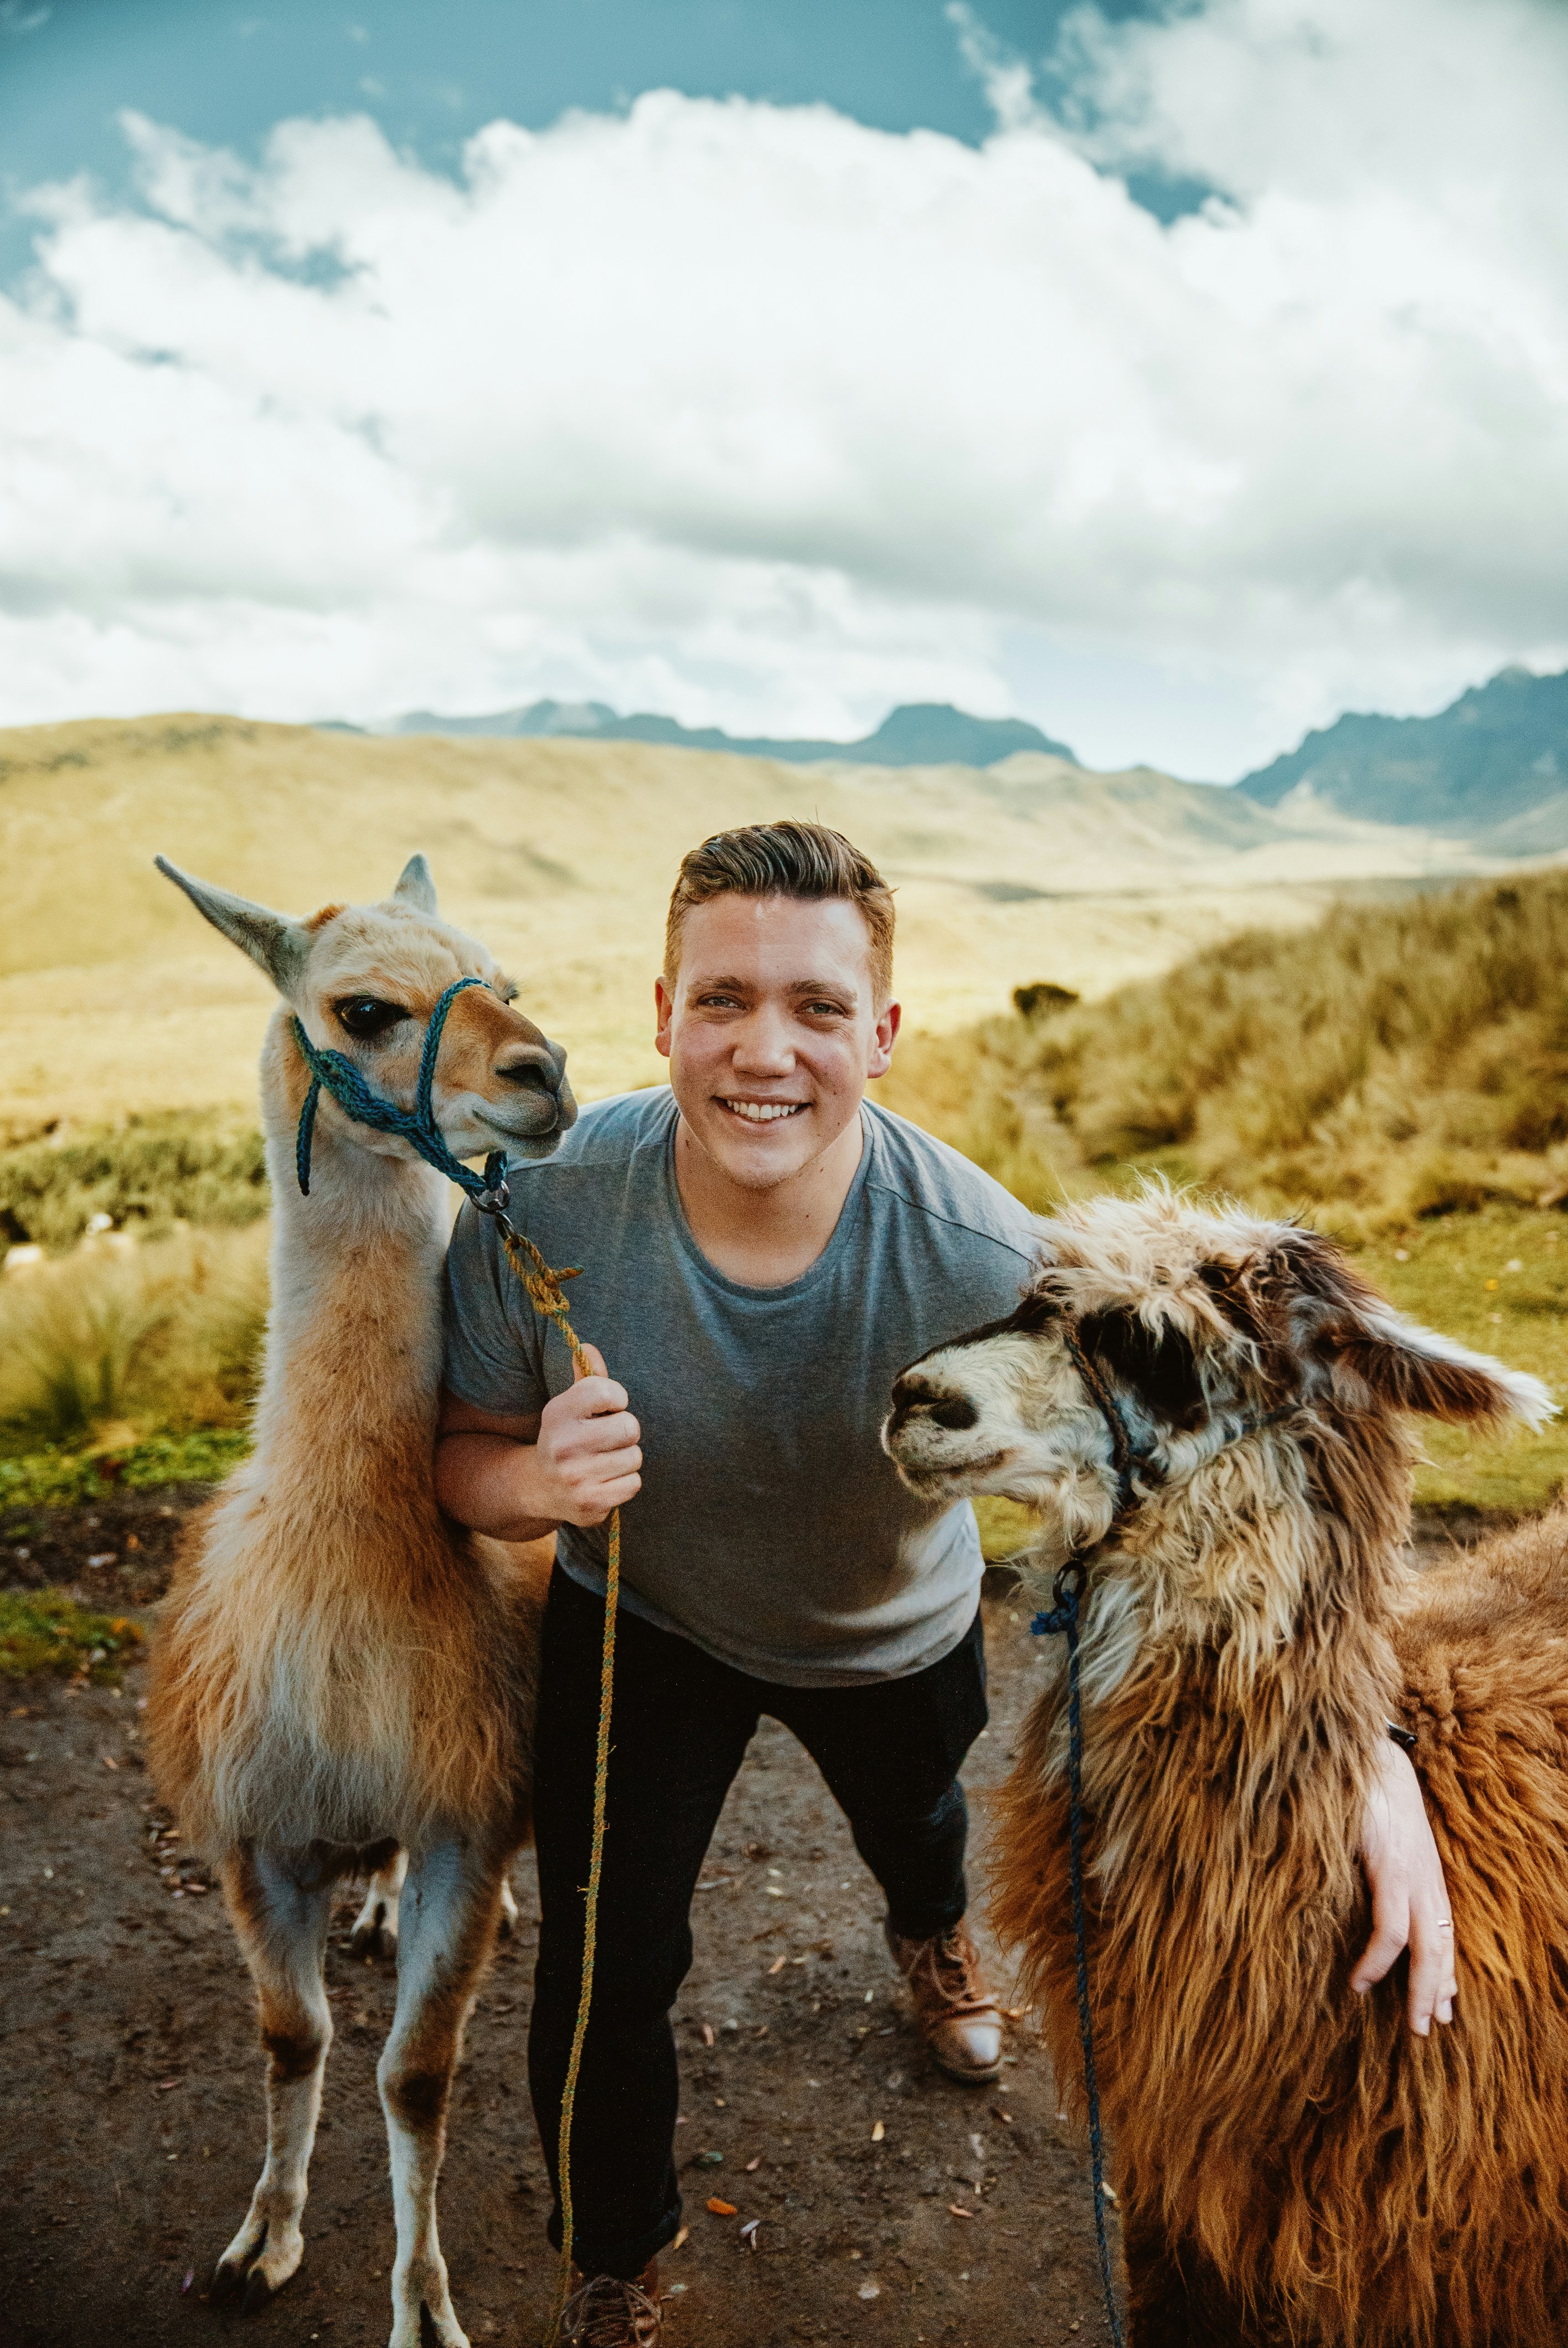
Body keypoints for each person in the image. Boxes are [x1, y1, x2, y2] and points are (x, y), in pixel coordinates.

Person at [435, 821, 1457, 2348]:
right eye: (722, 999)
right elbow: (459, 1450)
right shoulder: (551, 1211)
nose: (761, 1049)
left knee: (920, 1832)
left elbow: (1212, 1489)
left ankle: (930, 1937)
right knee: (602, 1958)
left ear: (885, 1035)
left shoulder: (986, 1254)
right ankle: (614, 2260)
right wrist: (531, 1488)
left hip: (890, 1637)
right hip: (643, 1616)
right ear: (660, 1012)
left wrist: (1360, 1745)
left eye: (817, 1007)